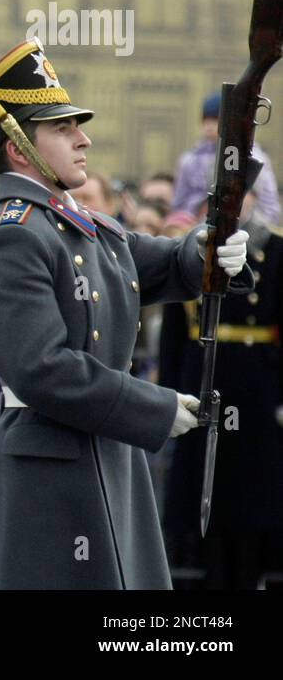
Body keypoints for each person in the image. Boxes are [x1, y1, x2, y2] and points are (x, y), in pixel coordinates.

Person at [0, 39, 251, 589]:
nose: (83, 138)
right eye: (63, 129)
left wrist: (206, 249)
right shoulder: (14, 238)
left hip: (108, 456)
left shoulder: (82, 226)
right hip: (48, 474)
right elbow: (43, 370)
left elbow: (151, 263)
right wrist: (151, 406)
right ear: (17, 147)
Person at [159, 190, 283, 589]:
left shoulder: (276, 249)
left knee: (253, 499)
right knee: (202, 495)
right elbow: (175, 337)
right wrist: (167, 393)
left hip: (257, 384)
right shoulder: (193, 250)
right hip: (205, 376)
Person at [173, 92, 280, 223]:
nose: (208, 127)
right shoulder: (190, 160)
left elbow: (268, 205)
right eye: (206, 120)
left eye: (215, 120)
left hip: (247, 229)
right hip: (196, 228)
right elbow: (179, 204)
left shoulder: (254, 157)